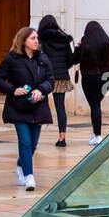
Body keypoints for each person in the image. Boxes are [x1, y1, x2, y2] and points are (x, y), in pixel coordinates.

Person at [0, 26, 54, 191]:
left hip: (38, 107)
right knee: (25, 142)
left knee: (32, 145)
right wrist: (13, 90)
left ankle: (21, 165)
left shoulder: (42, 58)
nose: (36, 41)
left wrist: (41, 90)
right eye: (33, 38)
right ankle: (29, 177)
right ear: (23, 41)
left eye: (37, 38)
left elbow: (50, 80)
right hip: (19, 107)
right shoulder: (12, 59)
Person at [71, 21, 109, 146]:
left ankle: (97, 135)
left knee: (94, 106)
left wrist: (78, 47)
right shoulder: (106, 41)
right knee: (96, 105)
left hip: (89, 78)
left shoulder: (85, 42)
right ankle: (96, 134)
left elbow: (74, 60)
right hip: (106, 77)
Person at [37, 15, 75, 148]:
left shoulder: (40, 39)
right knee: (60, 108)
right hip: (61, 77)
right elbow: (70, 61)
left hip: (44, 77)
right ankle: (62, 138)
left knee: (39, 104)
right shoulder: (64, 39)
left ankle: (33, 134)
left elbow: (38, 58)